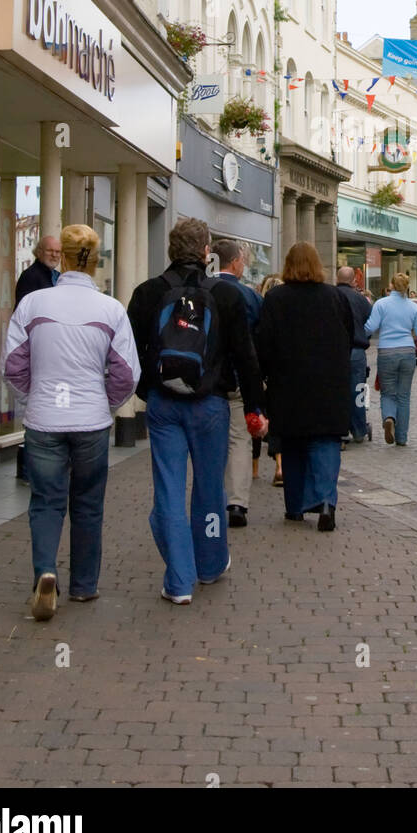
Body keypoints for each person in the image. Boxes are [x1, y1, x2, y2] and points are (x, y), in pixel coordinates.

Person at [3, 225, 139, 621]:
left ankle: (45, 571)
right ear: (95, 260)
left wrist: (33, 396)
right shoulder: (111, 309)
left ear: (60, 256)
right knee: (88, 502)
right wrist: (104, 403)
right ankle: (84, 584)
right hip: (90, 420)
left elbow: (13, 365)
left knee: (45, 501)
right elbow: (127, 374)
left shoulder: (33, 304)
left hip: (45, 417)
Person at [128, 218, 263, 604]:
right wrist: (254, 407)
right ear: (207, 252)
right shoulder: (226, 295)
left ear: (171, 250)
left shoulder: (148, 292)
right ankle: (210, 564)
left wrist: (147, 391)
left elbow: (131, 351)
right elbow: (245, 356)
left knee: (169, 490)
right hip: (211, 404)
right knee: (209, 488)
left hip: (163, 404)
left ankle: (178, 582)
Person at [255, 243, 354, 531]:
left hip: (289, 384)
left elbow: (264, 343)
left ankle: (295, 506)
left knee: (292, 443)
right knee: (326, 442)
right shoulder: (335, 297)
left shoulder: (276, 298)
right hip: (329, 385)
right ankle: (325, 502)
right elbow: (348, 337)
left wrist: (266, 376)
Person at [212, 239, 263, 530]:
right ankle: (237, 503)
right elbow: (258, 341)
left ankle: (210, 499)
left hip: (206, 382)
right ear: (234, 263)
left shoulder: (202, 290)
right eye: (242, 260)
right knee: (238, 439)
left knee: (209, 440)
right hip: (237, 379)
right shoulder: (250, 296)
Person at [364, 272, 417, 445]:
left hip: (386, 352)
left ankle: (389, 418)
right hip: (407, 352)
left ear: (391, 286)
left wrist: (358, 334)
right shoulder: (414, 308)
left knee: (387, 393)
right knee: (404, 396)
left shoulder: (381, 304)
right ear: (407, 287)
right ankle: (401, 437)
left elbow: (370, 327)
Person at [336, 266, 373, 443]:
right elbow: (370, 323)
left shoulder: (331, 296)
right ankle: (359, 430)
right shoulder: (361, 299)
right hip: (357, 350)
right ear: (353, 281)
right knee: (358, 390)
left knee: (337, 390)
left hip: (335, 351)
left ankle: (340, 429)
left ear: (337, 279)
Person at [259, 274, 284, 485]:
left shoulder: (262, 310)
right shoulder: (288, 309)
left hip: (270, 375)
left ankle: (277, 465)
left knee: (273, 418)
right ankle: (282, 466)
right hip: (288, 373)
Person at [15, 235, 61, 305]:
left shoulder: (56, 275)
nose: (54, 255)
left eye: (57, 252)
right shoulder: (30, 275)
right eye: (49, 251)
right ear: (39, 253)